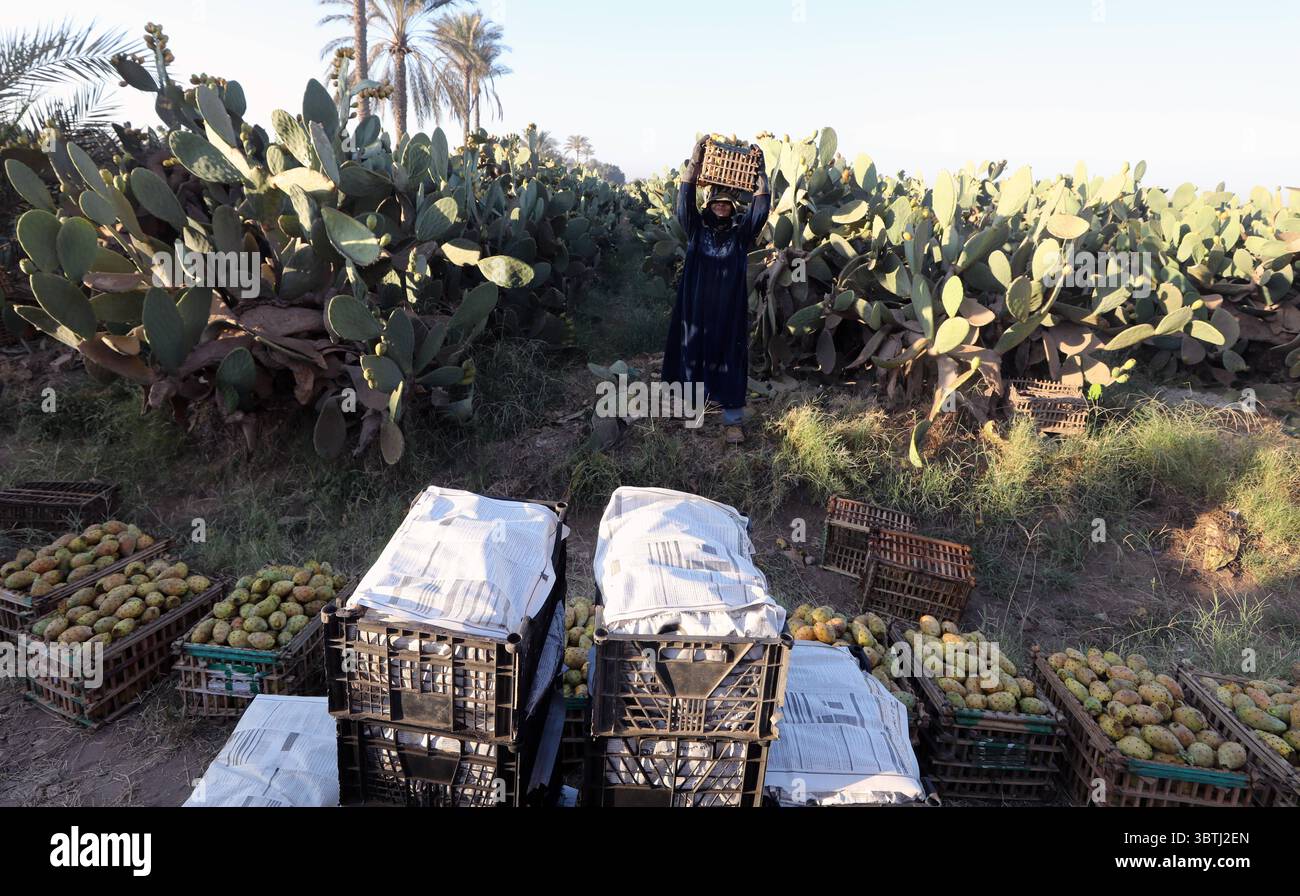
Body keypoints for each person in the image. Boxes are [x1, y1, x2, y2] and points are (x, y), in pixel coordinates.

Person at [662, 136, 770, 444]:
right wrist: (694, 166)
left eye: (726, 204)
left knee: (731, 357)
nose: (722, 207)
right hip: (695, 307)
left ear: (732, 208)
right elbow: (683, 204)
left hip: (728, 310)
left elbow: (759, 212)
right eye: (717, 203)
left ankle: (732, 419)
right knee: (690, 352)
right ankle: (690, 407)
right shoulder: (697, 230)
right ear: (709, 205)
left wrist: (760, 175)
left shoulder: (740, 236)